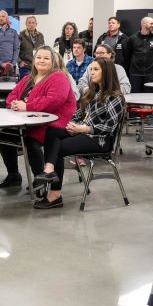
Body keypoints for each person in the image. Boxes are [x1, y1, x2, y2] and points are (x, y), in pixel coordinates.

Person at [34, 58, 124, 209]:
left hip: (99, 140)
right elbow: (78, 114)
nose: (91, 72)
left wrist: (85, 129)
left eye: (96, 69)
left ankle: (55, 195)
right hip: (83, 131)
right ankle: (49, 170)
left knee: (59, 148)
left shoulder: (115, 97)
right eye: (91, 69)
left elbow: (110, 127)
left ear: (106, 72)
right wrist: (70, 124)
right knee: (51, 132)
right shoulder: (92, 92)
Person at [0, 46, 77, 190]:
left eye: (46, 58)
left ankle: (40, 179)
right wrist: (14, 104)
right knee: (4, 135)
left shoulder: (59, 77)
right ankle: (13, 175)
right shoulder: (28, 78)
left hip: (52, 123)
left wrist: (26, 106)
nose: (41, 60)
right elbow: (12, 96)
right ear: (34, 60)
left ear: (53, 61)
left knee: (31, 138)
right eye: (39, 57)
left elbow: (53, 100)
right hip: (28, 121)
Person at [124, 16, 153, 92]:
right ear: (143, 24)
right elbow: (127, 55)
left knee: (148, 93)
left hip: (150, 72)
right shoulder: (132, 38)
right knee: (135, 93)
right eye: (151, 23)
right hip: (135, 72)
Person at [0, 10, 20, 78]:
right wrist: (1, 64)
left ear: (7, 18)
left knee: (11, 88)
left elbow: (16, 49)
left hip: (11, 67)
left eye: (3, 16)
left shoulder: (14, 32)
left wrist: (13, 63)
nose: (1, 18)